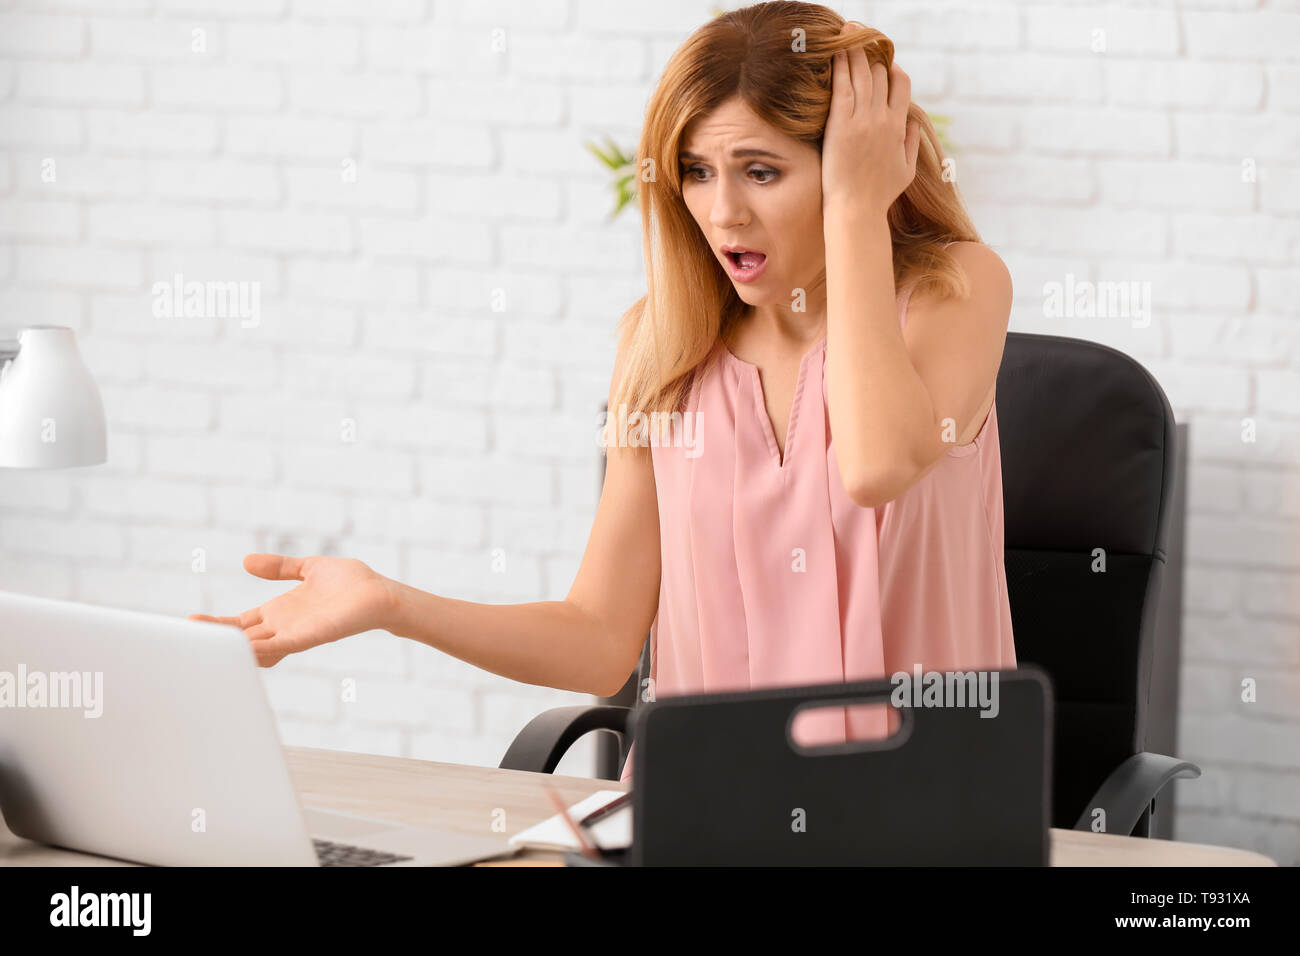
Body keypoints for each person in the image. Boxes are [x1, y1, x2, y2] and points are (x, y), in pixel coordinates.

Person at [191, 3, 1016, 785]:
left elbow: (873, 466)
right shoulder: (660, 344)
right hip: (699, 818)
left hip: (917, 813)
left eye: (761, 171)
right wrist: (389, 603)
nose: (723, 213)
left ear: (857, 168)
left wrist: (856, 215)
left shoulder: (957, 291)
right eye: (696, 172)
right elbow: (598, 641)